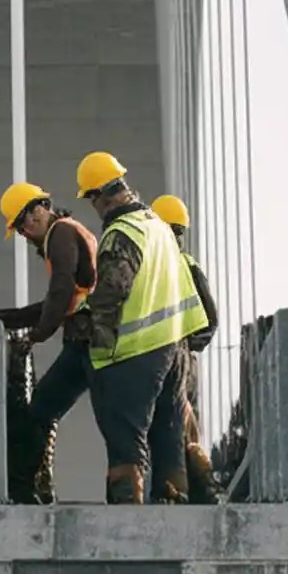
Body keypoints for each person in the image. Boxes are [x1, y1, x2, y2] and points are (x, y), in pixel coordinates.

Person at [76, 153, 209, 504]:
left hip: (137, 350)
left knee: (126, 437)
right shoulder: (157, 226)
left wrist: (97, 342)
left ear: (100, 195)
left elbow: (112, 291)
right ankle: (173, 504)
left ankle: (127, 516)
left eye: (91, 198)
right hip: (173, 351)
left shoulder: (122, 233)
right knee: (168, 433)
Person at [0, 182, 98, 504]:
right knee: (45, 410)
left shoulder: (60, 235)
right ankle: (32, 489)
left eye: (24, 223)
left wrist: (35, 336)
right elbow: (55, 303)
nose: (25, 233)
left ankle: (24, 490)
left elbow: (60, 294)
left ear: (39, 209)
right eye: (18, 229)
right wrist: (4, 317)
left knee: (42, 410)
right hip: (86, 340)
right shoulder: (65, 235)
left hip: (91, 342)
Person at [151, 194, 223, 503]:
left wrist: (182, 344)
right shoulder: (177, 265)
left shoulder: (179, 267)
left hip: (178, 359)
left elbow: (209, 321)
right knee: (176, 424)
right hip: (179, 358)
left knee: (178, 425)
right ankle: (190, 488)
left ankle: (198, 489)